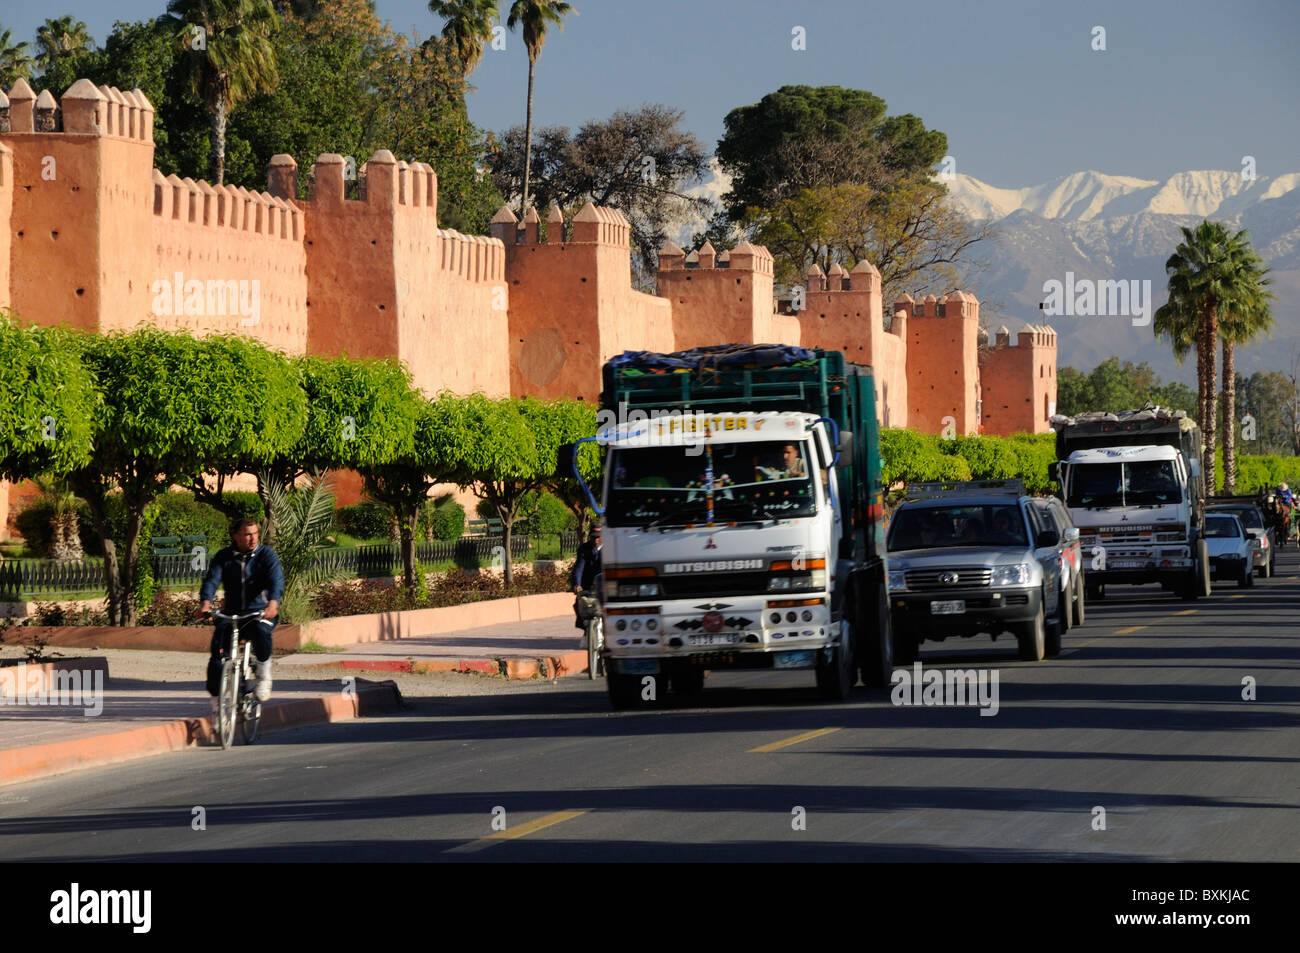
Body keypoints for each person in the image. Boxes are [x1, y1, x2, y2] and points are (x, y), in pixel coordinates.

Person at [197, 518, 285, 709]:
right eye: (247, 534)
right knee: (216, 659)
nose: (253, 538)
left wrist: (273, 604)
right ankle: (217, 702)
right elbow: (212, 580)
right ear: (236, 536)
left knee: (261, 632)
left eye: (255, 533)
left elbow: (276, 580)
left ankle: (263, 676)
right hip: (231, 613)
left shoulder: (266, 555)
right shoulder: (224, 557)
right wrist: (206, 602)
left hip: (260, 612)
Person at [570, 526, 602, 629]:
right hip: (587, 583)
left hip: (605, 583)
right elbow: (579, 568)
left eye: (598, 537)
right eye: (593, 537)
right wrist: (577, 584)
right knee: (579, 605)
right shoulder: (584, 548)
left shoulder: (610, 548)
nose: (596, 540)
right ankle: (586, 630)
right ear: (589, 537)